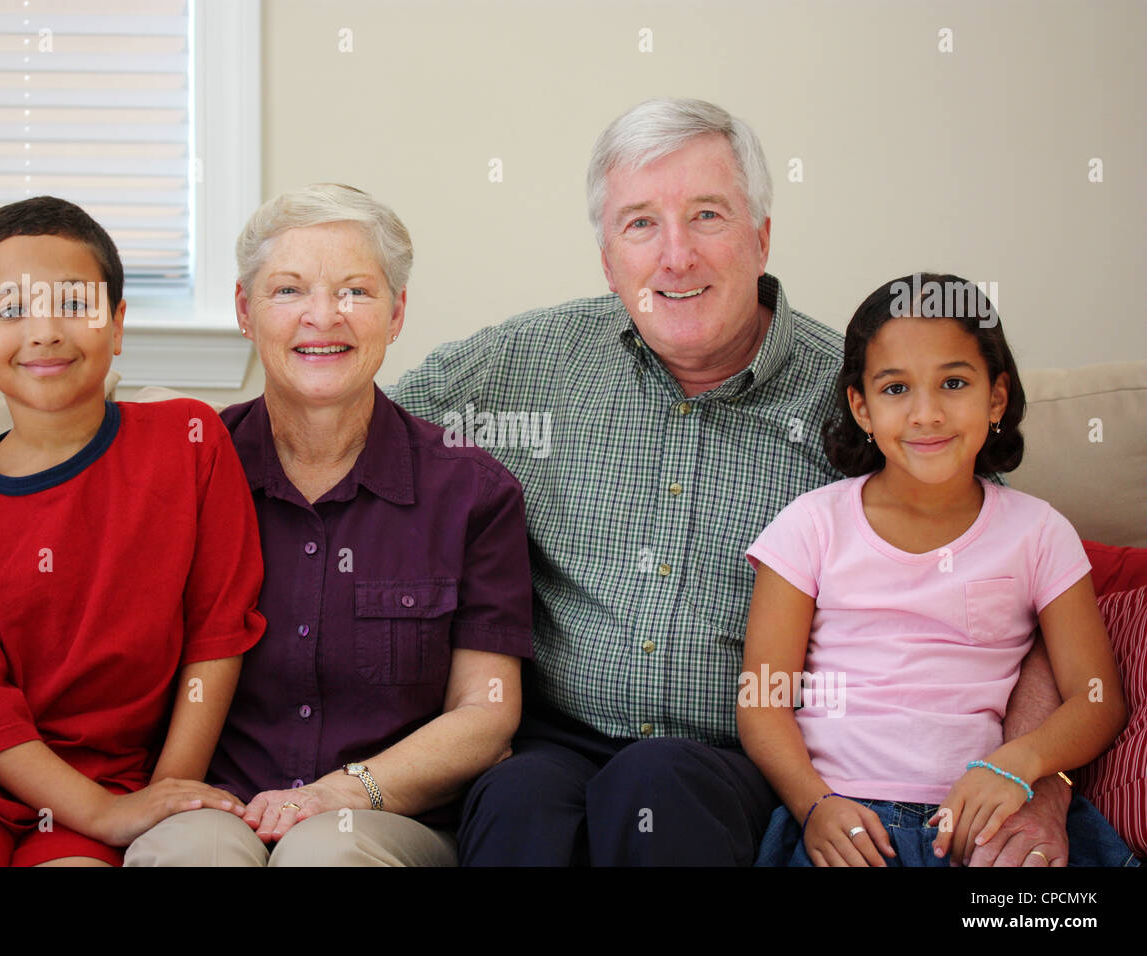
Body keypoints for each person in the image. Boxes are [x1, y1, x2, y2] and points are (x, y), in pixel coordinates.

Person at [389, 98, 1082, 865]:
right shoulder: (528, 363)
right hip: (558, 735)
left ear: (761, 237)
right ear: (608, 258)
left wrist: (1040, 785)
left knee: (659, 782)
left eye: (707, 215)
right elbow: (357, 435)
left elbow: (1014, 588)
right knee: (518, 798)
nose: (675, 256)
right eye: (640, 223)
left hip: (748, 757)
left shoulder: (866, 394)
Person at [124, 183, 534, 866]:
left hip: (385, 816)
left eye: (356, 291)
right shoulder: (186, 470)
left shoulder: (472, 493)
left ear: (397, 312)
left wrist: (348, 790)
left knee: (325, 858)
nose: (324, 316)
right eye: (288, 291)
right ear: (244, 312)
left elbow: (486, 716)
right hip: (214, 803)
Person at [0, 196, 265, 866]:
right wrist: (105, 814)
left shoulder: (189, 441)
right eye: (10, 309)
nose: (44, 331)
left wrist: (161, 797)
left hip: (118, 782)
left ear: (119, 324)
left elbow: (218, 631)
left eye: (74, 303)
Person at [741, 274, 1136, 867]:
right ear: (861, 407)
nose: (926, 414)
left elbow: (1097, 698)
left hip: (992, 820)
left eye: (954, 383)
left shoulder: (1038, 532)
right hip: (850, 824)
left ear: (996, 398)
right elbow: (762, 699)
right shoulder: (813, 526)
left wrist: (1019, 766)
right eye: (896, 388)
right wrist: (814, 805)